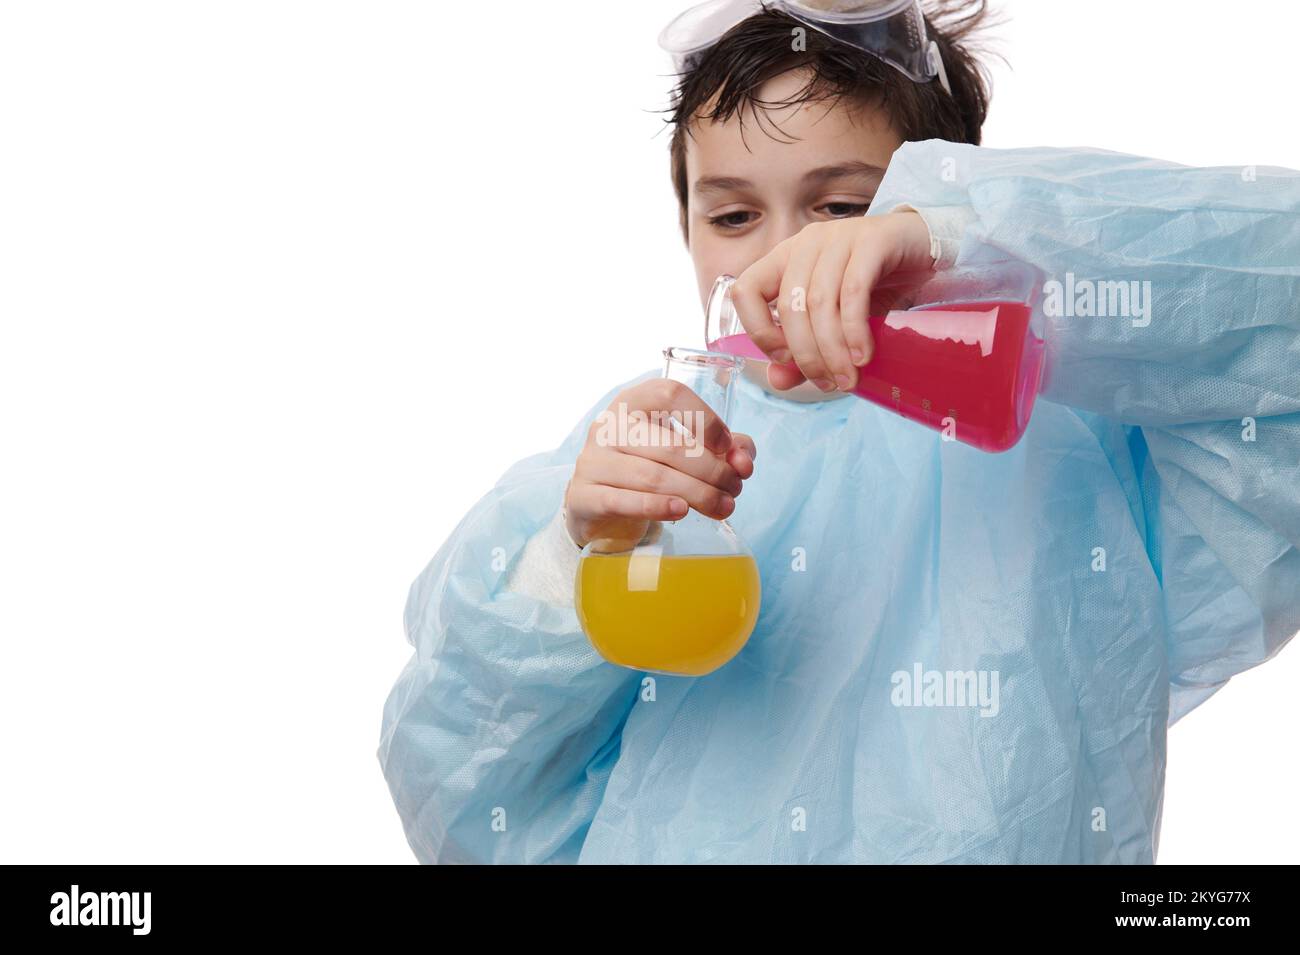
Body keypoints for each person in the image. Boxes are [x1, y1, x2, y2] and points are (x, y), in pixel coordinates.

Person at [377, 0, 1300, 863]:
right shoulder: (647, 450)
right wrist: (572, 553)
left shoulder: (1081, 435)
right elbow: (460, 788)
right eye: (733, 215)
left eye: (842, 210)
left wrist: (960, 240)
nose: (782, 258)